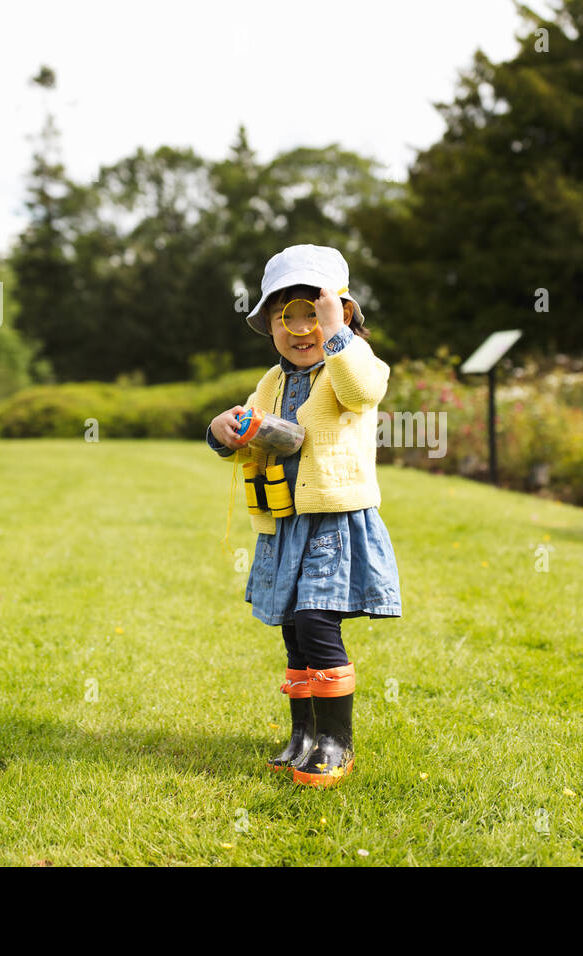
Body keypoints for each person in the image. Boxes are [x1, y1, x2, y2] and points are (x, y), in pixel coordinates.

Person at [207, 244, 401, 787]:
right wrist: (226, 431)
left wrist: (339, 335)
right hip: (284, 520)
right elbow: (252, 438)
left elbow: (363, 390)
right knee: (294, 629)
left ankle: (337, 742)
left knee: (319, 621)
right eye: (283, 316)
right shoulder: (271, 382)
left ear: (341, 314)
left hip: (332, 523)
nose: (299, 328)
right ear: (269, 324)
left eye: (312, 314)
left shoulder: (353, 366)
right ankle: (304, 735)